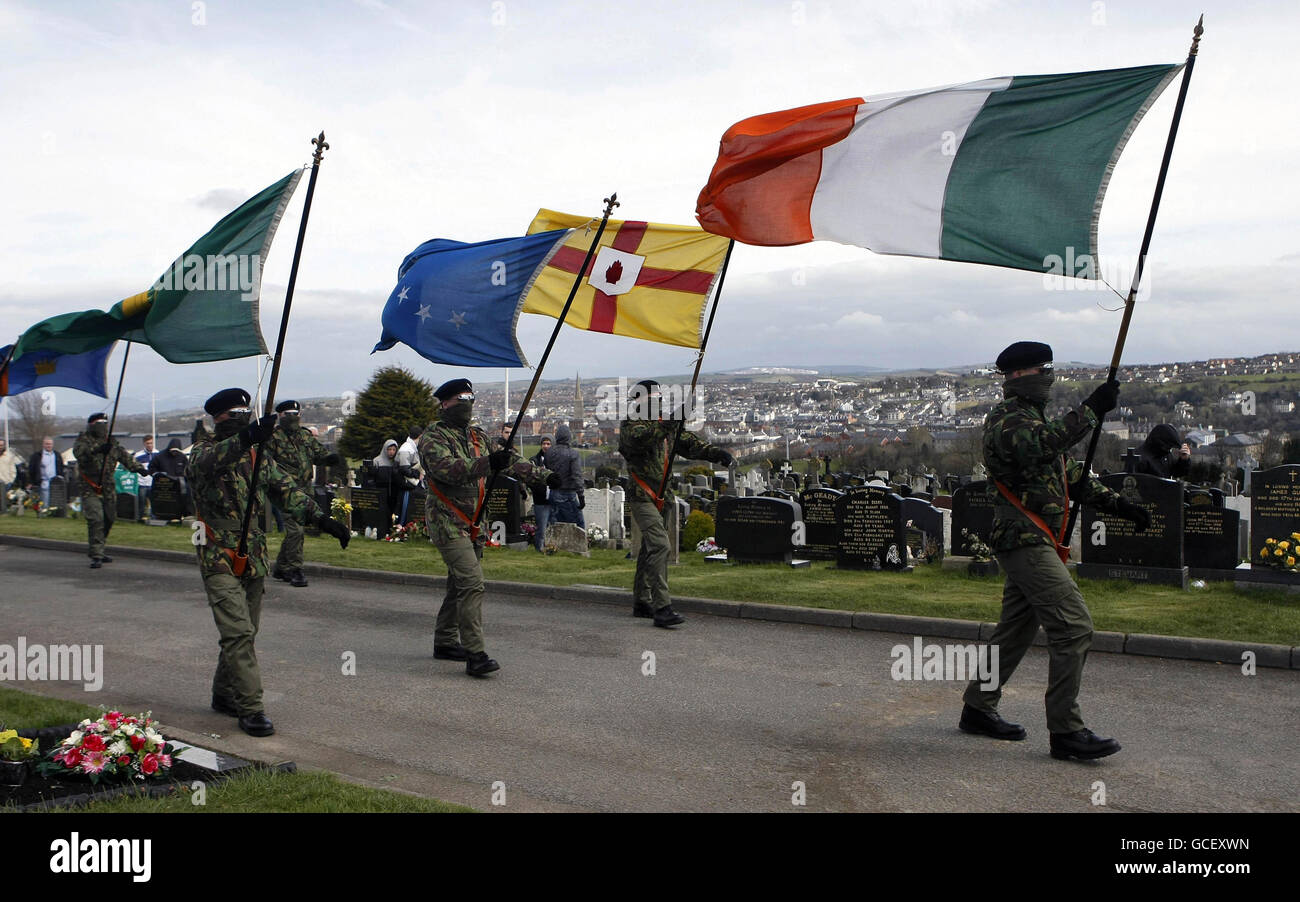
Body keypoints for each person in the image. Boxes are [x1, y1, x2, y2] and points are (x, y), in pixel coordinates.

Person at [958, 342, 1150, 761]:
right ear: (1017, 376)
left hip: (1038, 537)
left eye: (1049, 368)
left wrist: (1120, 505)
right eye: (1041, 370)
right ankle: (1067, 731)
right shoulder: (1007, 421)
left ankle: (977, 707)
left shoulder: (1032, 416)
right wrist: (1092, 409)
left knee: (1015, 631)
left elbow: (1070, 475)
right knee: (1074, 626)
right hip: (1024, 539)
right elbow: (1044, 445)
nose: (1048, 376)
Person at [190, 388, 350, 737]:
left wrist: (323, 519)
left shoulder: (257, 455)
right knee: (239, 632)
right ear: (217, 418)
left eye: (244, 413)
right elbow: (210, 462)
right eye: (234, 413)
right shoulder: (203, 451)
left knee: (244, 630)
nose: (241, 417)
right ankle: (250, 708)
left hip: (254, 554)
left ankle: (223, 693)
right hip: (217, 552)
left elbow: (288, 491)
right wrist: (247, 436)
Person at [418, 378, 557, 676]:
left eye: (470, 397)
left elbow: (509, 461)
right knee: (471, 583)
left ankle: (444, 642)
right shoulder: (433, 436)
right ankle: (475, 654)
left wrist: (544, 476)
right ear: (444, 403)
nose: (466, 404)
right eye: (460, 398)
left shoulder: (477, 435)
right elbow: (449, 470)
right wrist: (487, 463)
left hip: (473, 521)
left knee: (459, 585)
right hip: (447, 520)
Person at [620, 379, 734, 628]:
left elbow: (690, 445)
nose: (658, 401)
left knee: (651, 549)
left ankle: (641, 600)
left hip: (664, 495)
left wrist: (717, 454)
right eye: (653, 397)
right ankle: (662, 607)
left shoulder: (664, 424)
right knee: (661, 545)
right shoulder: (631, 424)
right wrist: (674, 419)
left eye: (660, 397)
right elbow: (641, 440)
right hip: (642, 495)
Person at [265, 400, 340, 587]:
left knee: (297, 531)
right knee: (295, 530)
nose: (293, 418)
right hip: (284, 491)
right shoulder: (273, 438)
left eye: (296, 414)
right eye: (288, 414)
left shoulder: (305, 436)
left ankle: (281, 567)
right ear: (280, 416)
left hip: (305, 490)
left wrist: (329, 459)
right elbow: (265, 463)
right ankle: (295, 569)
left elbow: (318, 453)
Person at [72, 414, 148, 568]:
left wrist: (140, 469)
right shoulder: (83, 440)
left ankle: (99, 547)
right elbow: (80, 453)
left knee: (109, 517)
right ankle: (96, 554)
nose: (103, 426)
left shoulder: (111, 442)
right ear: (92, 425)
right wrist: (97, 449)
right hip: (89, 486)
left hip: (107, 486)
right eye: (99, 423)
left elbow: (124, 456)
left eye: (105, 423)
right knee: (96, 518)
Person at [546, 424, 586, 528]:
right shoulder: (573, 454)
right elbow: (577, 475)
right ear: (569, 437)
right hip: (568, 493)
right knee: (578, 525)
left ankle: (554, 545)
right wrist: (581, 496)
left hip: (553, 493)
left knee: (555, 526)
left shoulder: (549, 453)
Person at [148, 438, 193, 518]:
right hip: (163, 485)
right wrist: (158, 475)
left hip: (179, 485)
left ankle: (186, 515)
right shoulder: (159, 456)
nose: (174, 453)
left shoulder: (182, 457)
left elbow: (188, 470)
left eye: (176, 451)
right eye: (172, 451)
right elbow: (151, 468)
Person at [529, 436, 552, 551]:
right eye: (544, 443)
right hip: (540, 499)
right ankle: (539, 549)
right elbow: (530, 478)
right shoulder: (534, 460)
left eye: (548, 444)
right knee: (541, 528)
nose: (546, 446)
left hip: (554, 498)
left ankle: (552, 548)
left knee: (553, 527)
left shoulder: (556, 460)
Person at [396, 427, 423, 524]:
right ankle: (402, 527)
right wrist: (418, 474)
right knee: (405, 509)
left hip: (412, 483)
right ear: (420, 436)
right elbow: (404, 469)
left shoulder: (412, 447)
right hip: (406, 484)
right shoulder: (406, 449)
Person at [28, 436, 63, 507]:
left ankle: (55, 513)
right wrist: (31, 481)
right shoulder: (37, 455)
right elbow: (32, 469)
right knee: (45, 502)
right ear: (43, 445)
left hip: (55, 481)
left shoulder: (57, 455)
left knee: (55, 501)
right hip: (44, 482)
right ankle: (45, 512)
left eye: (50, 444)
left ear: (52, 445)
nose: (48, 446)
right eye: (47, 444)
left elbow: (61, 467)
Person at [134, 435, 159, 521]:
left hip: (153, 483)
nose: (150, 445)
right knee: (141, 502)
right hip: (142, 483)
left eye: (151, 443)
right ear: (144, 443)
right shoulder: (138, 455)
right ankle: (141, 517)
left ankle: (154, 517)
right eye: (148, 443)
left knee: (154, 502)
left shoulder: (157, 454)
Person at [0, 438, 19, 511]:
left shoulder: (9, 456)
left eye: (1, 445)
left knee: (4, 499)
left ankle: (4, 510)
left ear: (4, 445)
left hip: (6, 481)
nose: (0, 446)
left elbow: (13, 469)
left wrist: (11, 480)